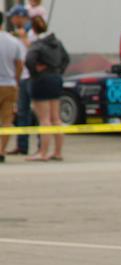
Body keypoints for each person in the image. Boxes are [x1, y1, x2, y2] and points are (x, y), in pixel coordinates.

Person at [24, 15, 67, 162]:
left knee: (44, 119)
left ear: (33, 29)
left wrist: (35, 72)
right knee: (56, 118)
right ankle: (58, 151)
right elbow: (66, 59)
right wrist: (58, 70)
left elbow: (29, 60)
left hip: (41, 81)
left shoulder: (37, 44)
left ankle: (42, 152)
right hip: (56, 79)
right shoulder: (57, 43)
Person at [6, 4, 34, 156]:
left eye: (14, 16)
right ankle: (22, 145)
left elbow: (30, 52)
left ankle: (29, 145)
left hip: (28, 77)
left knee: (28, 112)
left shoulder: (30, 31)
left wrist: (23, 38)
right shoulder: (18, 33)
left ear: (20, 17)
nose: (12, 19)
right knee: (23, 112)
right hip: (23, 77)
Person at [0, 10, 25, 164]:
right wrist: (16, 79)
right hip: (9, 84)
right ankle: (1, 150)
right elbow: (20, 64)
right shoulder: (13, 41)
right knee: (7, 120)